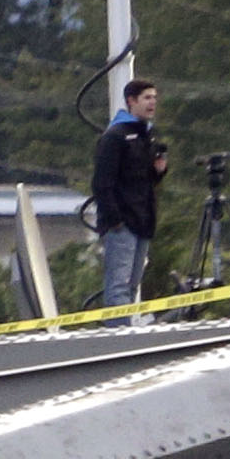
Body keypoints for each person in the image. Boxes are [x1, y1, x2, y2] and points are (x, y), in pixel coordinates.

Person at [87, 77, 166, 312]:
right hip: (123, 222)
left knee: (132, 286)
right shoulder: (115, 137)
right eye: (147, 98)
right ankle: (119, 334)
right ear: (131, 101)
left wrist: (159, 171)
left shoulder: (146, 136)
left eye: (154, 98)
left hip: (143, 218)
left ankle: (128, 327)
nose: (152, 103)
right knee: (118, 286)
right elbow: (102, 182)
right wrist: (115, 219)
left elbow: (145, 180)